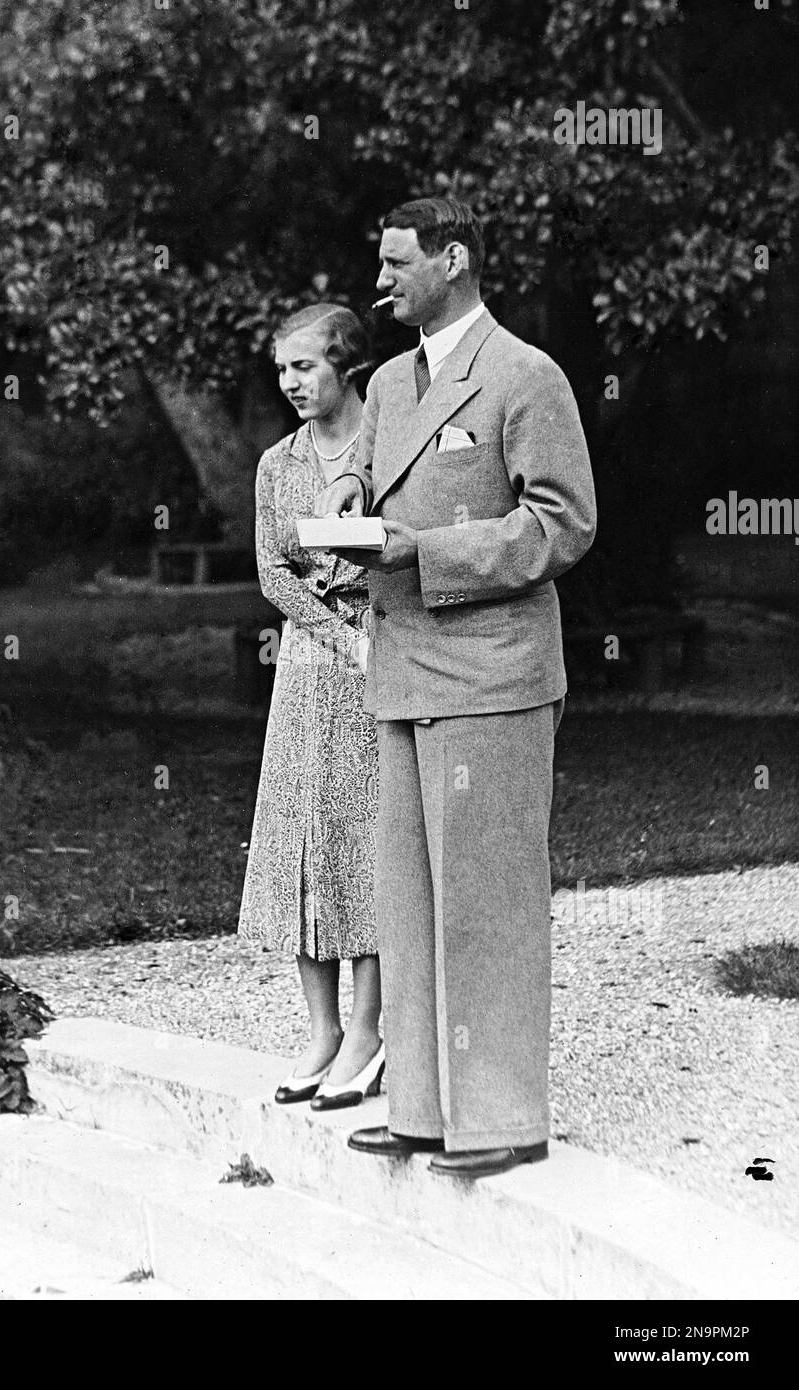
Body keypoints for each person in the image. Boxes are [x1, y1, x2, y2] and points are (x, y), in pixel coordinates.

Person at [316, 196, 596, 1176]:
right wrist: (349, 516)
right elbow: (372, 486)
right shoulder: (389, 383)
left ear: (456, 260)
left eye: (398, 263)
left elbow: (563, 523)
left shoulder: (526, 375)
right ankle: (427, 1112)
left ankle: (505, 1117)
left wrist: (424, 549)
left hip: (493, 676)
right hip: (400, 669)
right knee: (413, 903)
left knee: (488, 900)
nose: (380, 281)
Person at [238, 303, 385, 1110]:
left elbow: (399, 543)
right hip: (309, 661)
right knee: (302, 835)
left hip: (385, 649)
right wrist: (338, 638)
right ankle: (323, 1030)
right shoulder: (276, 464)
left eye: (306, 367)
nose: (292, 383)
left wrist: (370, 641)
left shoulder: (386, 446)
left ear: (347, 366)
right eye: (282, 370)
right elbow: (273, 571)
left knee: (364, 833)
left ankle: (370, 1030)